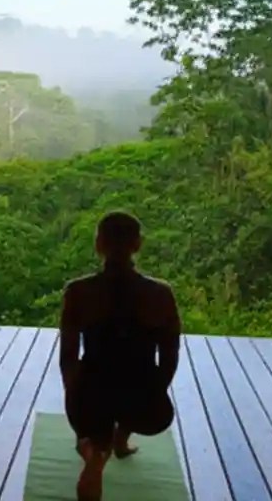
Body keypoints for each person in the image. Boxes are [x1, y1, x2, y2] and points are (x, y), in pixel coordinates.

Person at [60, 211, 180, 501]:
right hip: (144, 401)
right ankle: (119, 439)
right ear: (137, 245)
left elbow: (68, 359)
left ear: (98, 244)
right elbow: (169, 356)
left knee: (94, 411)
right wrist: (154, 392)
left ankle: (94, 453)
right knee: (130, 388)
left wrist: (74, 398)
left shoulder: (78, 292)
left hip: (92, 392)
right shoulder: (160, 294)